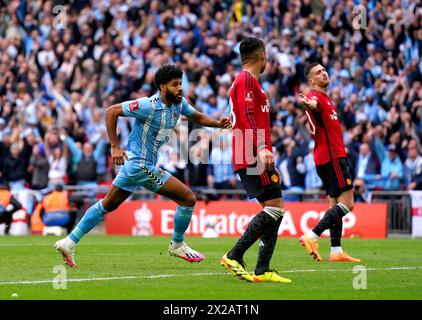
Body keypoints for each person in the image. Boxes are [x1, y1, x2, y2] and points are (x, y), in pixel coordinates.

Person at [54, 64, 232, 268]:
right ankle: (177, 244)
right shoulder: (147, 105)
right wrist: (115, 146)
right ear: (162, 87)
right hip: (140, 166)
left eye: (180, 83)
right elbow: (111, 111)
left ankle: (69, 241)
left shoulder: (178, 104)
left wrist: (219, 123)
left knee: (108, 204)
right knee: (188, 198)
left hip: (134, 167)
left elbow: (198, 117)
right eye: (175, 85)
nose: (180, 88)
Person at [220, 38, 291, 283]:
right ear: (261, 54)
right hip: (251, 151)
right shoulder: (247, 80)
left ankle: (263, 269)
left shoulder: (244, 82)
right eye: (267, 54)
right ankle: (234, 255)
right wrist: (261, 147)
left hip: (253, 151)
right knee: (275, 207)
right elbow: (248, 115)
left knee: (276, 208)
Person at [296, 62, 361, 262]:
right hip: (333, 157)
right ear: (311, 81)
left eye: (324, 69)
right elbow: (313, 105)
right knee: (348, 203)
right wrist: (309, 104)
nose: (323, 72)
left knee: (334, 203)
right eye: (318, 72)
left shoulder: (326, 99)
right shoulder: (316, 97)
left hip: (324, 157)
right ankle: (312, 235)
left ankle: (336, 250)